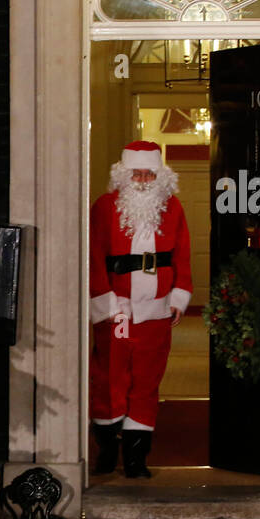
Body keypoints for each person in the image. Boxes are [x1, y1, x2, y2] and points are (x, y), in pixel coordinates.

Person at [89, 140, 192, 479]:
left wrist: (179, 297)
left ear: (160, 175)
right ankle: (106, 446)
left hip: (157, 312)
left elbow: (182, 256)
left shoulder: (172, 208)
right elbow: (93, 256)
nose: (144, 180)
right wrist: (104, 302)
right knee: (109, 378)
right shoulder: (104, 207)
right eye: (137, 173)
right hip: (117, 311)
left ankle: (136, 456)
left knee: (147, 381)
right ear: (124, 174)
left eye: (150, 173)